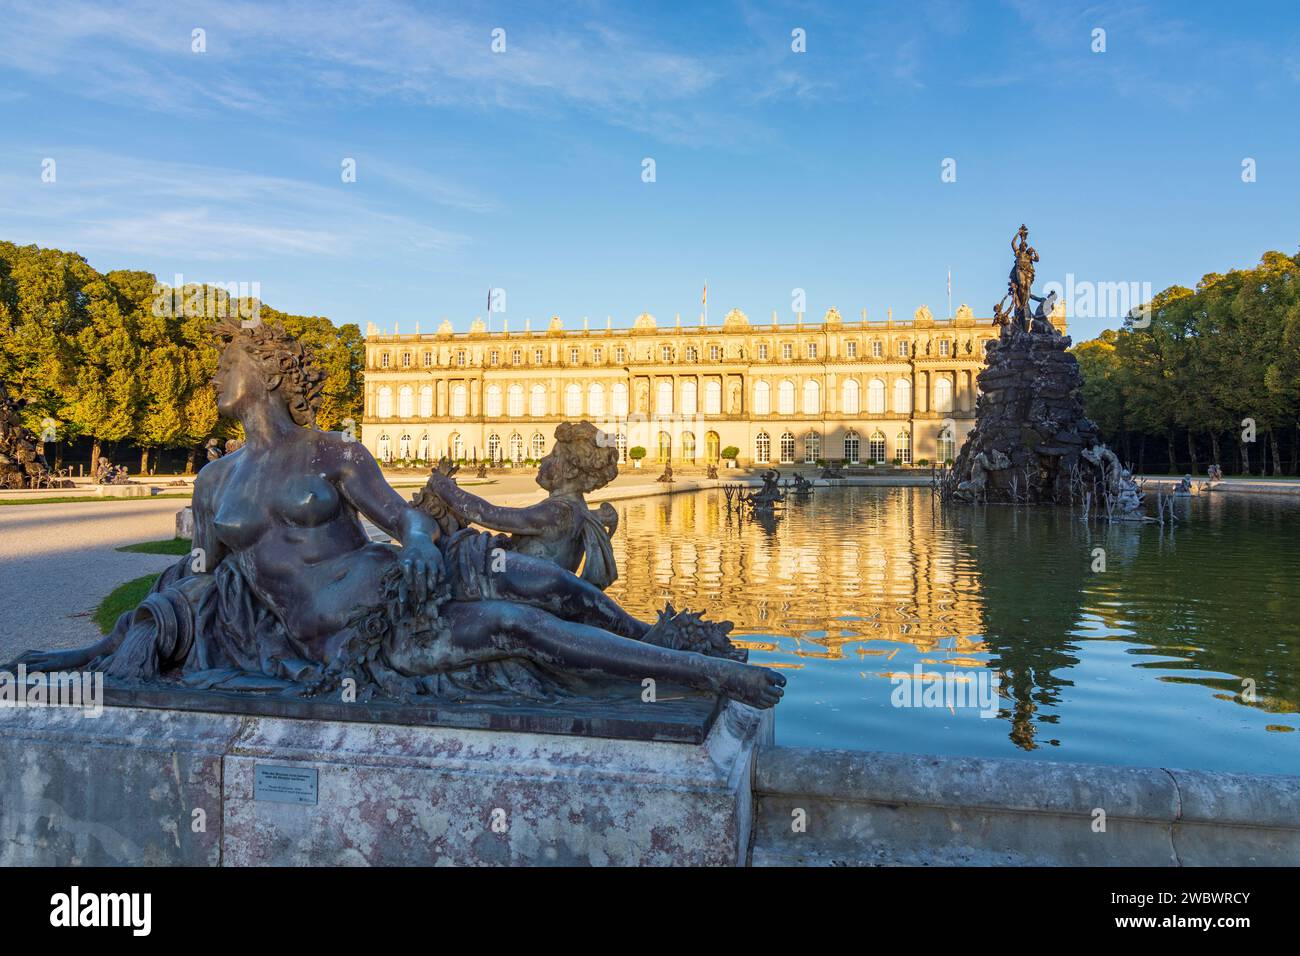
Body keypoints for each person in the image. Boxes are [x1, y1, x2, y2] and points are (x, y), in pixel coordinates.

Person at [15, 319, 781, 709]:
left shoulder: (335, 453)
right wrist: (114, 643)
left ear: (269, 372)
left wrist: (420, 542)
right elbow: (197, 576)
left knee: (543, 585)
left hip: (399, 576)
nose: (215, 373)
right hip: (353, 635)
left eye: (228, 362)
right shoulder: (214, 481)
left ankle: (667, 644)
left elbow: (400, 518)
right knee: (519, 625)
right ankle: (699, 673)